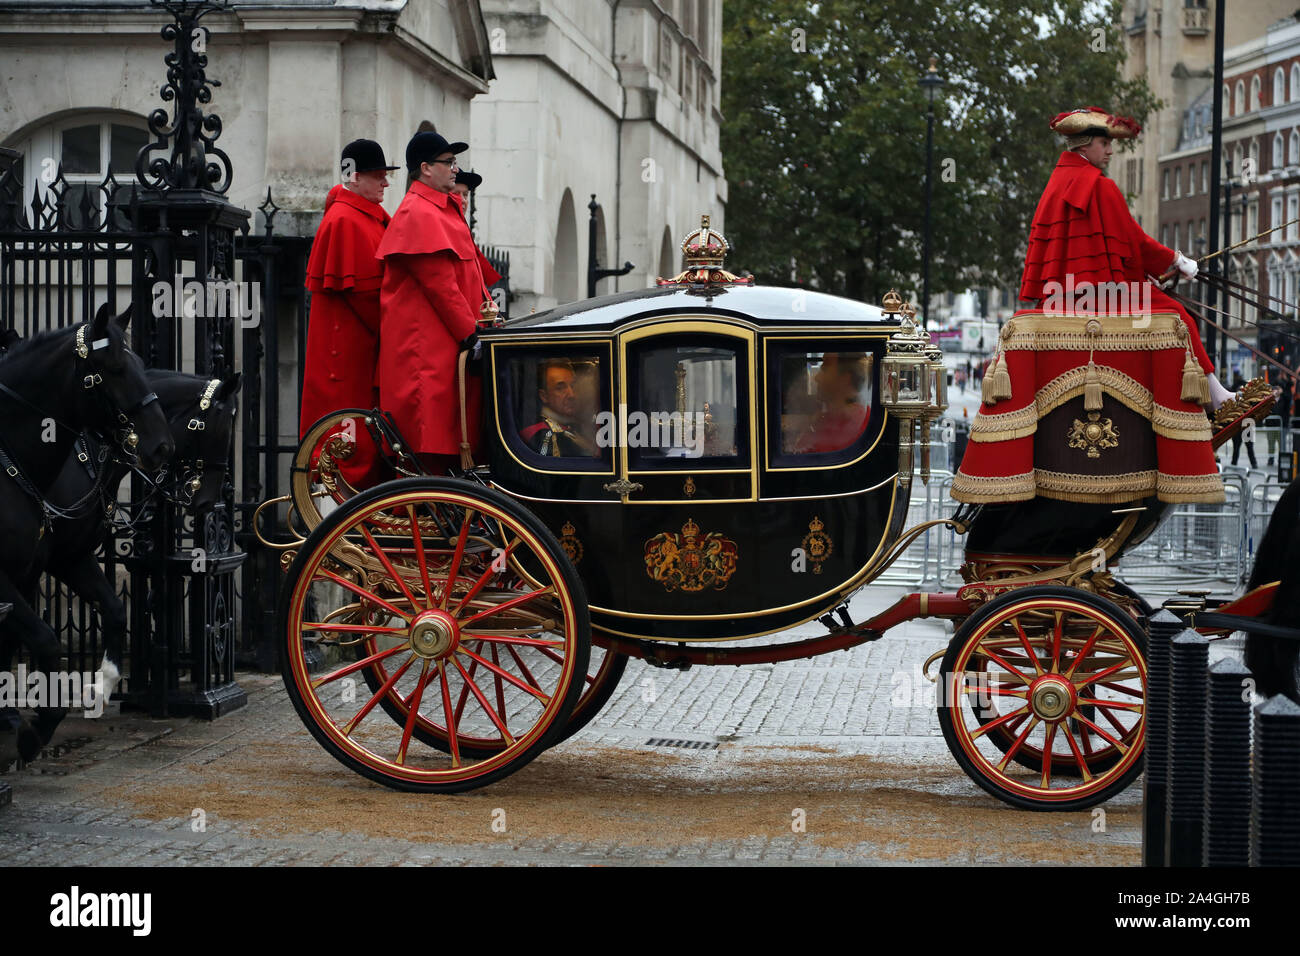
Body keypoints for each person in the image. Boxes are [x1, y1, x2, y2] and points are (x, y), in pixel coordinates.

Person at [951, 106, 1227, 506]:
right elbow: (1133, 241)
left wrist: (1137, 273)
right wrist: (1176, 262)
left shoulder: (1057, 183)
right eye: (1105, 143)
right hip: (1103, 297)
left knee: (1169, 308)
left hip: (1068, 296)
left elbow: (1105, 251)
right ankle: (1217, 397)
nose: (1110, 151)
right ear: (1087, 144)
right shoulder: (1099, 186)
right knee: (1178, 316)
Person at [374, 131, 498, 471]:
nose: (455, 169)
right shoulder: (419, 211)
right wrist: (471, 334)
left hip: (446, 349)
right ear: (426, 169)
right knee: (431, 443)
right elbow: (440, 285)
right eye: (448, 162)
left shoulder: (441, 209)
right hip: (429, 355)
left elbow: (467, 276)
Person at [300, 138, 397, 483]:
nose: (385, 182)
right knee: (346, 450)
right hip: (348, 363)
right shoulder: (345, 220)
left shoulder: (365, 217)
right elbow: (368, 298)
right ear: (353, 176)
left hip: (362, 356)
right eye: (378, 175)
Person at [792, 352, 871, 454]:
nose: (817, 378)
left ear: (845, 380)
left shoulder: (861, 426)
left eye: (824, 369)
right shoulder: (824, 420)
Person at [521, 359, 597, 457]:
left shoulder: (575, 426)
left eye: (573, 386)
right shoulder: (545, 435)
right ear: (544, 396)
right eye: (560, 388)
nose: (572, 395)